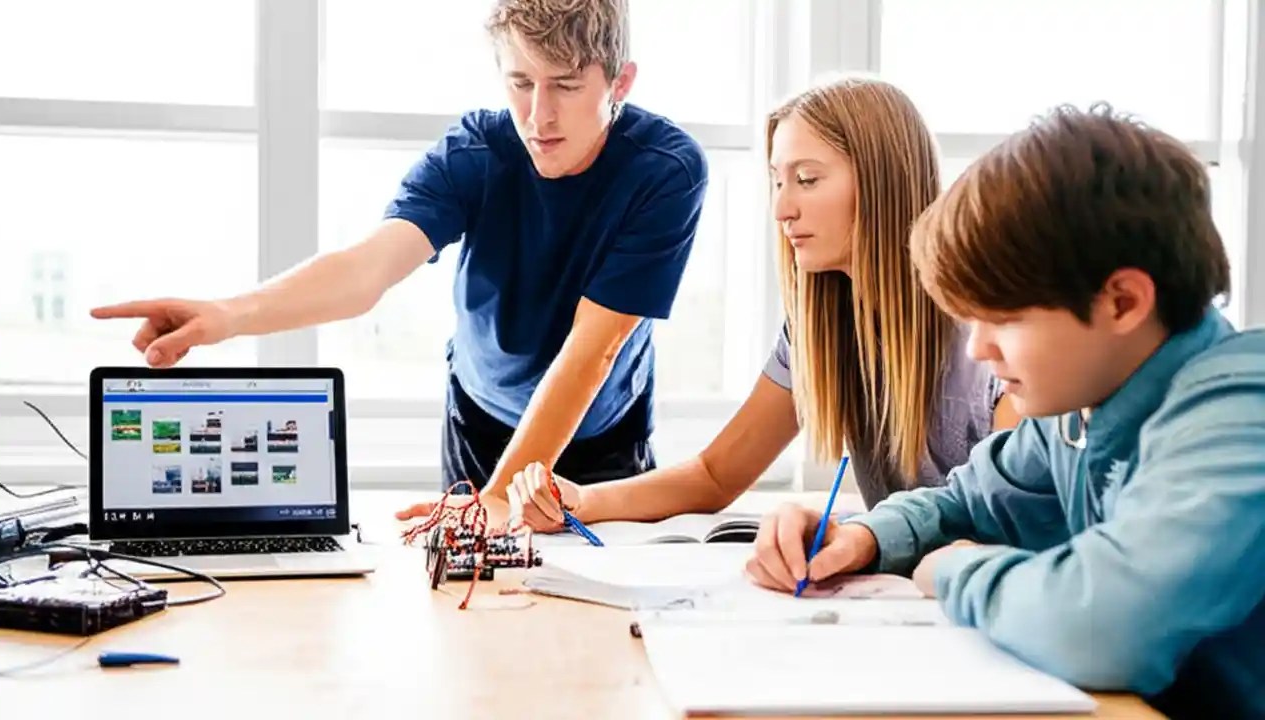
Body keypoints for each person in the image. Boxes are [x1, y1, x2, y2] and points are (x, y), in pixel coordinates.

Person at [90, 0, 709, 525]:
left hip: (600, 441)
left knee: (592, 632)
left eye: (566, 86)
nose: (538, 116)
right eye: (521, 83)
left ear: (620, 83)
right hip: (479, 424)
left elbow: (592, 350)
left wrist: (501, 498)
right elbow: (366, 271)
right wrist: (228, 315)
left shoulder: (666, 172)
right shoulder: (475, 151)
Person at [747, 104, 1265, 719]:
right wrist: (860, 537)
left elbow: (1100, 627)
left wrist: (961, 570)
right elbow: (961, 501)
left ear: (1123, 302)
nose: (978, 348)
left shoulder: (1240, 410)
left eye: (1006, 319)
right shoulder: (1079, 406)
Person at [506, 77, 1018, 532]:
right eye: (777, 180)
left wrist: (865, 539)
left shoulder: (997, 343)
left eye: (807, 179)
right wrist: (582, 500)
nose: (781, 208)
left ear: (884, 180)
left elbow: (1021, 528)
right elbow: (716, 474)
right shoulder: (819, 329)